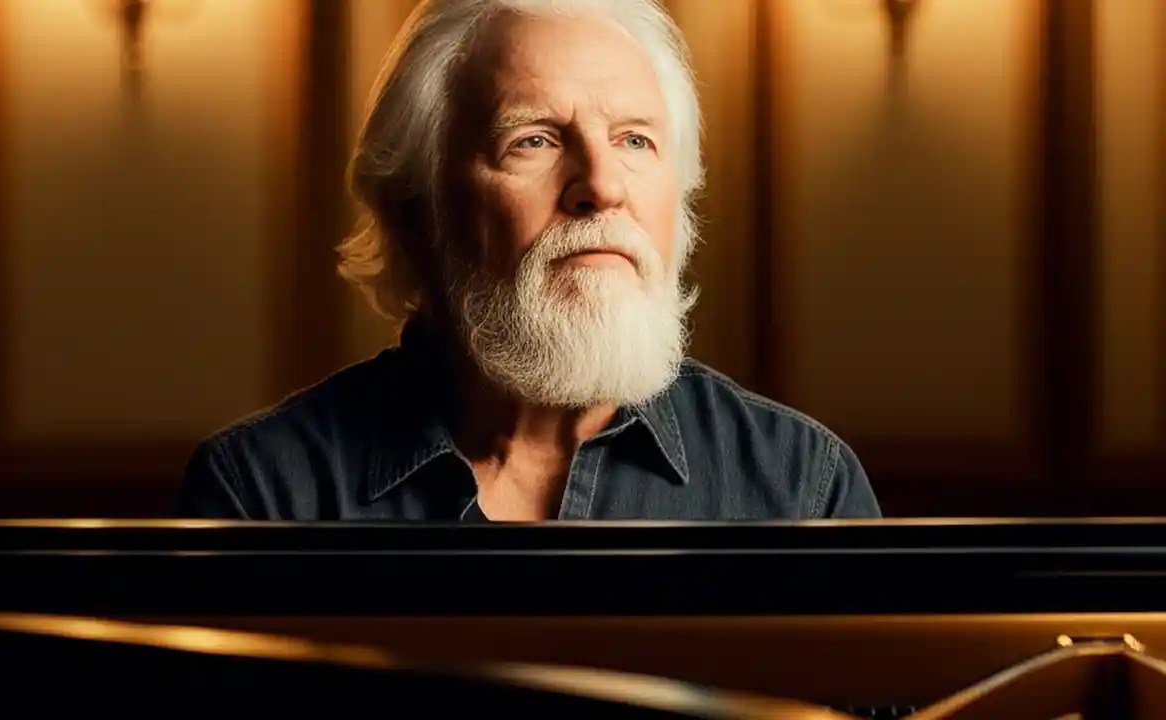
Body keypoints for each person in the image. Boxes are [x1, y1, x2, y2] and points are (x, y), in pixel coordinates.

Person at [177, 0, 881, 521]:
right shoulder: (262, 497)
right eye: (534, 141)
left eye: (635, 141)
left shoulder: (801, 489)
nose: (602, 187)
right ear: (417, 211)